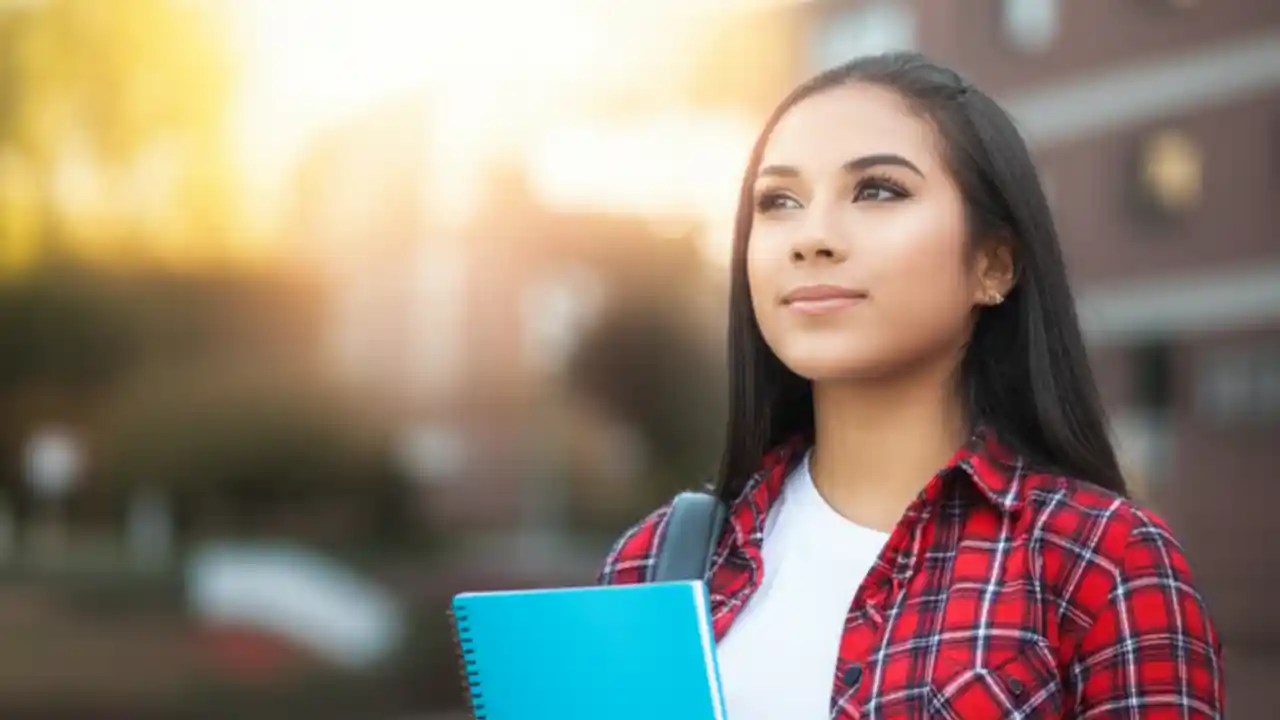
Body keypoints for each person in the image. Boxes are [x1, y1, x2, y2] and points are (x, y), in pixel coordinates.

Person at [597, 52, 1223, 719]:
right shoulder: (654, 564)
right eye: (778, 201)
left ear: (994, 264)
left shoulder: (1103, 561)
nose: (811, 237)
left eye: (878, 190)